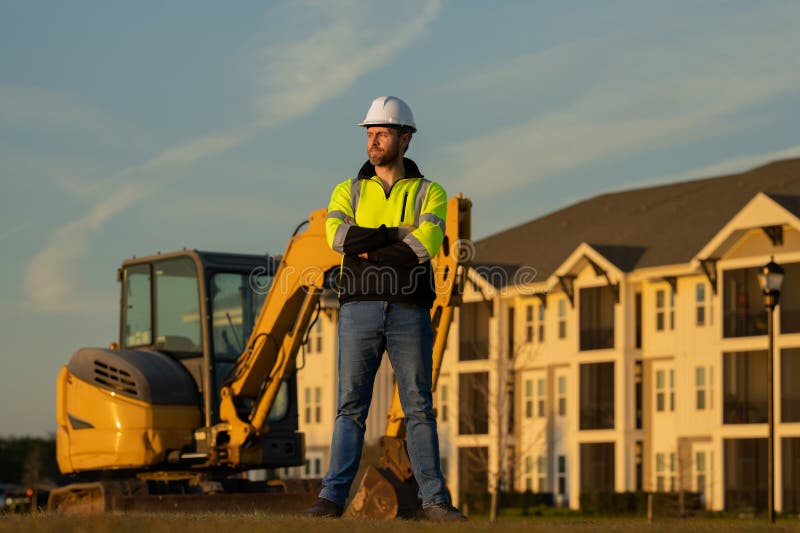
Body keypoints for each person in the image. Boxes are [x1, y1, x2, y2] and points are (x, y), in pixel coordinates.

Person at [303, 96, 465, 522]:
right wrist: (394, 236)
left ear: (405, 139)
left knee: (418, 407)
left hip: (410, 310)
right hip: (358, 311)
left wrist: (370, 246)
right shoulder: (347, 190)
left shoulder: (431, 192)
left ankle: (435, 502)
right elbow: (337, 240)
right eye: (369, 133)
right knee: (349, 407)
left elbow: (422, 248)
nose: (373, 139)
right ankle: (331, 500)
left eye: (382, 132)